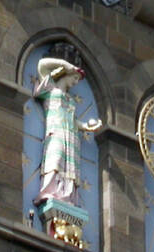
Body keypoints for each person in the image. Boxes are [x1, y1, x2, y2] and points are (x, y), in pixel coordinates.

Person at [32, 57, 102, 205]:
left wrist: (86, 126)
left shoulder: (70, 100)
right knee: (55, 159)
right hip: (56, 132)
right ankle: (48, 191)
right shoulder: (50, 89)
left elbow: (71, 119)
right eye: (75, 77)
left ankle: (67, 197)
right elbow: (42, 65)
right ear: (67, 73)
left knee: (70, 168)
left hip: (70, 135)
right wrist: (64, 64)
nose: (75, 82)